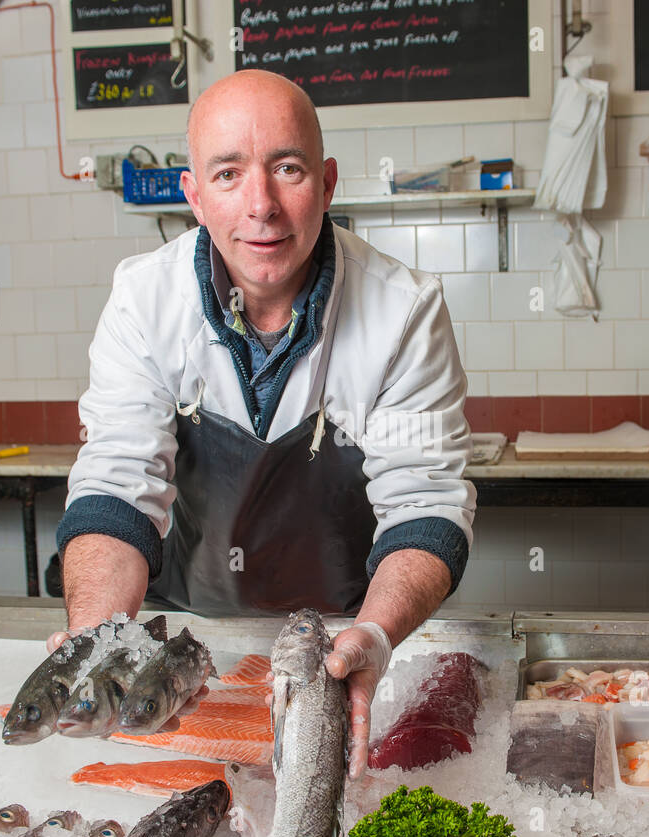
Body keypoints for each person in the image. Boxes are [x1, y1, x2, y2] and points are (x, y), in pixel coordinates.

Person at [50, 70, 475, 778]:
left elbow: (426, 505)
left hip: (342, 641)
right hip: (185, 637)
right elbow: (116, 487)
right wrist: (97, 636)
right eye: (228, 173)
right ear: (192, 195)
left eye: (288, 168)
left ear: (328, 181)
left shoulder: (404, 309)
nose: (262, 206)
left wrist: (373, 632)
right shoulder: (143, 300)